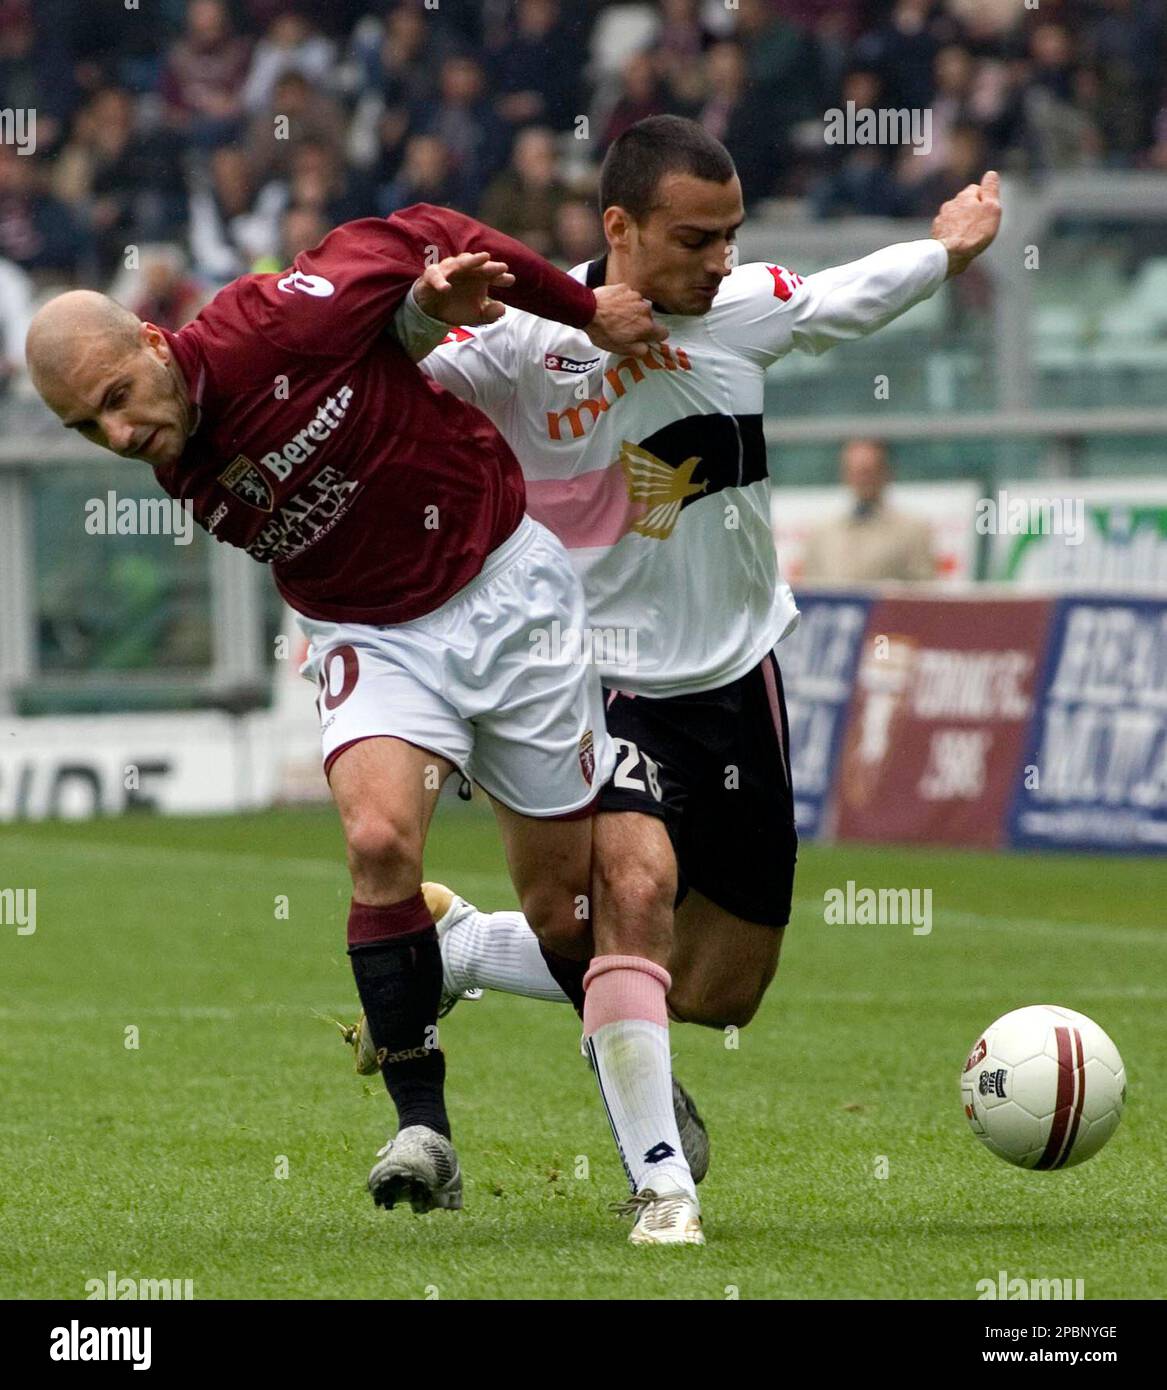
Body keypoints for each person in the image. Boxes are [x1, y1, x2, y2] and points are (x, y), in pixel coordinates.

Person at [375, 115, 1000, 1243]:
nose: (719, 260)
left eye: (730, 235)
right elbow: (388, 364)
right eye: (692, 239)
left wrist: (948, 250)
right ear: (618, 229)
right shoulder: (525, 337)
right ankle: (663, 1183)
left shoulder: (745, 307)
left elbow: (850, 294)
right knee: (635, 893)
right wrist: (428, 309)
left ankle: (464, 948)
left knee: (723, 987)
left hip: (734, 667)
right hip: (587, 682)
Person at [24, 204, 662, 1223]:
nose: (115, 433)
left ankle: (639, 1070)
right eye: (83, 427)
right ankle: (426, 1130)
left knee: (563, 915)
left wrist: (581, 310)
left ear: (154, 339)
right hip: (371, 635)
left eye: (113, 397)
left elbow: (432, 228)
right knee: (375, 840)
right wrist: (412, 323)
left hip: (503, 589)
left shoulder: (276, 321)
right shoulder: (175, 452)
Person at [801, 438, 936, 583]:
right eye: (855, 472)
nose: (862, 480)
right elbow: (811, 592)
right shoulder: (821, 533)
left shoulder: (912, 531)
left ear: (886, 473)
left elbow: (923, 592)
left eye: (868, 472)